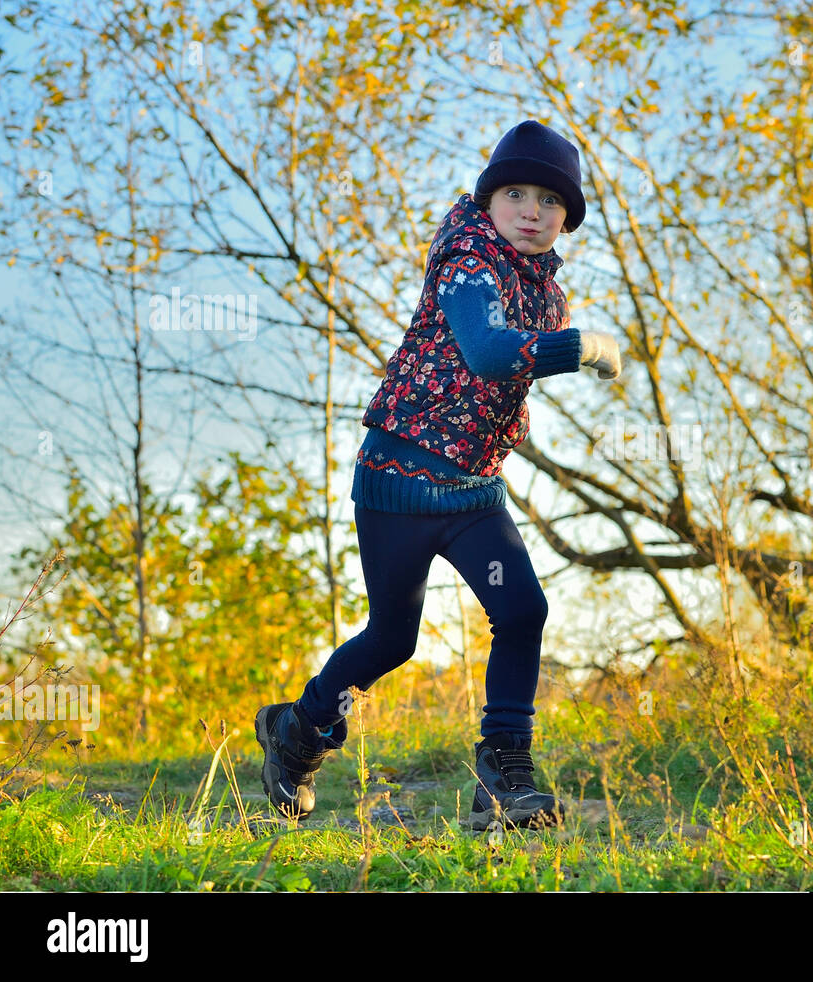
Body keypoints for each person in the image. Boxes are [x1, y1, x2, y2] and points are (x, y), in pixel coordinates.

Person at [256, 120, 622, 829]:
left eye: (550, 202)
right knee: (393, 639)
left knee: (522, 611)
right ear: (489, 201)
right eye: (515, 193)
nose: (531, 210)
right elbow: (487, 350)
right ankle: (296, 733)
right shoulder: (466, 255)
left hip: (474, 492)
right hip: (400, 477)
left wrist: (563, 338)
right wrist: (582, 348)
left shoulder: (548, 295)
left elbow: (510, 364)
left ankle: (505, 775)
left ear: (565, 220)